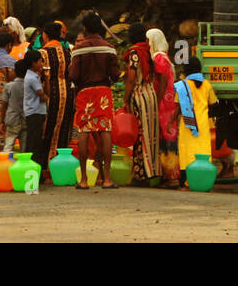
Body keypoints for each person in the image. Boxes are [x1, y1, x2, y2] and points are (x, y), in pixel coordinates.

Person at [68, 13, 119, 190]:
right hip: (104, 91)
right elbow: (115, 75)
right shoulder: (109, 48)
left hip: (85, 92)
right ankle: (107, 178)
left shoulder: (78, 49)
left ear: (85, 28)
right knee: (105, 130)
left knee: (84, 130)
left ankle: (83, 179)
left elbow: (73, 75)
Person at [121, 23, 161, 184]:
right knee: (151, 135)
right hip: (151, 96)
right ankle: (152, 170)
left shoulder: (134, 53)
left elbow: (131, 78)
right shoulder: (148, 51)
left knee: (139, 134)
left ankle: (141, 174)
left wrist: (125, 99)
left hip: (139, 96)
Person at [176, 57, 219, 186]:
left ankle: (186, 181)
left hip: (187, 124)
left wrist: (170, 122)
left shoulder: (183, 85)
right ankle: (203, 179)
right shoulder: (206, 84)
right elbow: (213, 103)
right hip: (203, 124)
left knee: (186, 151)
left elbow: (178, 107)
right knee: (203, 150)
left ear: (186, 70)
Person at [147, 29, 180, 187]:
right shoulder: (165, 56)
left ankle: (171, 176)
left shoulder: (159, 57)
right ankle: (170, 175)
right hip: (170, 101)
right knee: (169, 135)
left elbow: (163, 79)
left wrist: (157, 99)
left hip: (164, 103)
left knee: (167, 137)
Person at [38, 22, 73, 168]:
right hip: (68, 94)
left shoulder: (42, 53)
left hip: (49, 94)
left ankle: (46, 165)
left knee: (46, 130)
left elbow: (38, 76)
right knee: (63, 129)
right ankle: (60, 165)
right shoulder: (69, 52)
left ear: (45, 35)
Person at [23, 49, 48, 172]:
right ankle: (34, 169)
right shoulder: (32, 78)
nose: (42, 64)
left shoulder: (32, 76)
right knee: (35, 142)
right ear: (34, 63)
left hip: (34, 112)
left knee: (34, 141)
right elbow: (42, 95)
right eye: (40, 61)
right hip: (35, 112)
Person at [2, 55, 27, 154]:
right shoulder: (29, 86)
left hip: (12, 119)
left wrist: (2, 121)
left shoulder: (9, 86)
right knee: (24, 149)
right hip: (25, 119)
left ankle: (6, 165)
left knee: (8, 145)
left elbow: (4, 104)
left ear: (15, 71)